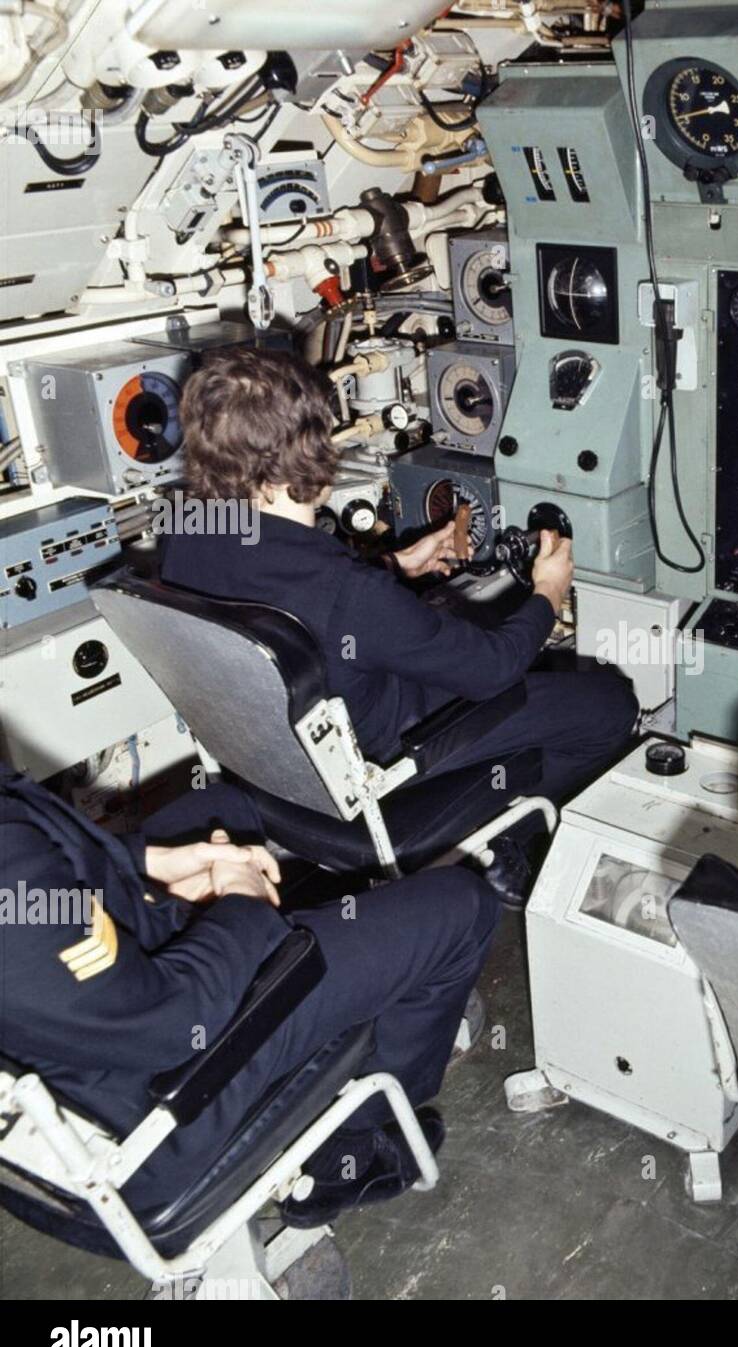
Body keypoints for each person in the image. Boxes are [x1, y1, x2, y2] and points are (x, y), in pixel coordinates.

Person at [160, 346, 638, 899]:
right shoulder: (349, 592)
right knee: (608, 701)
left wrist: (394, 564)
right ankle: (513, 840)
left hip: (264, 769)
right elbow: (493, 669)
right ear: (313, 451)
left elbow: (290, 587)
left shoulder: (188, 535)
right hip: (380, 772)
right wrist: (548, 591)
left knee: (457, 614)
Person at [0, 763, 499, 1225]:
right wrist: (241, 904)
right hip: (162, 1100)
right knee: (463, 906)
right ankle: (348, 1155)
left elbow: (38, 854)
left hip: (92, 1022)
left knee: (225, 810)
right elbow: (172, 1022)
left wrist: (148, 865)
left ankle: (361, 989)